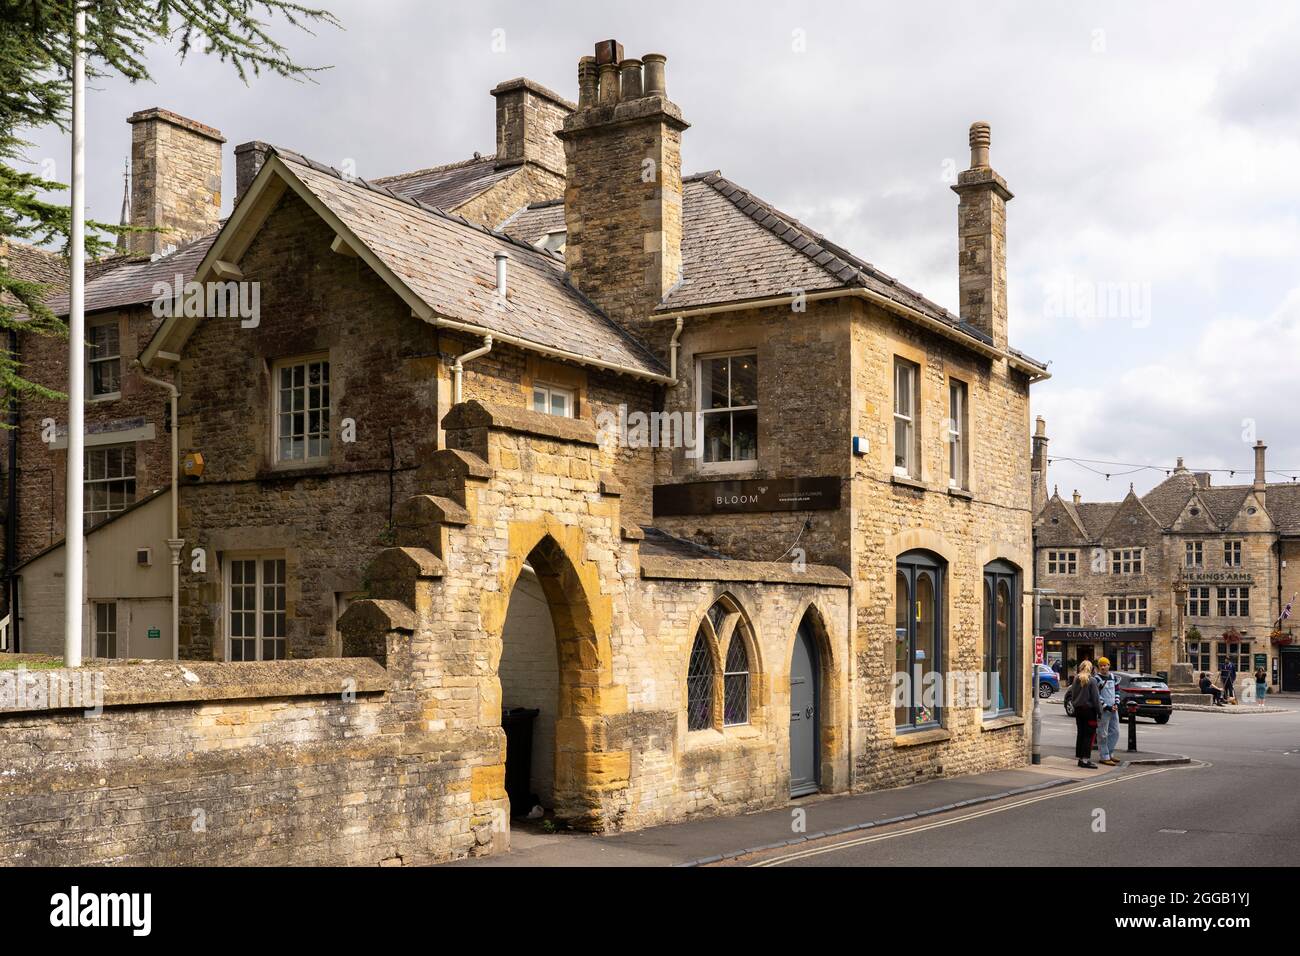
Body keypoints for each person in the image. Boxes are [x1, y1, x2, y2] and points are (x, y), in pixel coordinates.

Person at [1068, 661, 1101, 768]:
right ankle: (1085, 760)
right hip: (1089, 711)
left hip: (1078, 710)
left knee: (1081, 734)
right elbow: (1096, 699)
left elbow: (1072, 695)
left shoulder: (1076, 679)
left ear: (1080, 668)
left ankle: (1080, 758)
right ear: (1091, 669)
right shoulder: (1092, 681)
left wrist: (1075, 705)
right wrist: (1099, 712)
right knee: (1089, 735)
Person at [1095, 657, 1120, 765]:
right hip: (1104, 710)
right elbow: (1097, 696)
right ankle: (1104, 756)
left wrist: (1116, 703)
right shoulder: (1096, 679)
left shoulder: (1113, 677)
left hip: (1113, 709)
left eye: (1105, 665)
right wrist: (1106, 706)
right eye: (1101, 665)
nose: (1103, 667)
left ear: (1109, 665)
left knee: (1115, 732)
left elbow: (1117, 691)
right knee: (1103, 734)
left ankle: (1110, 753)